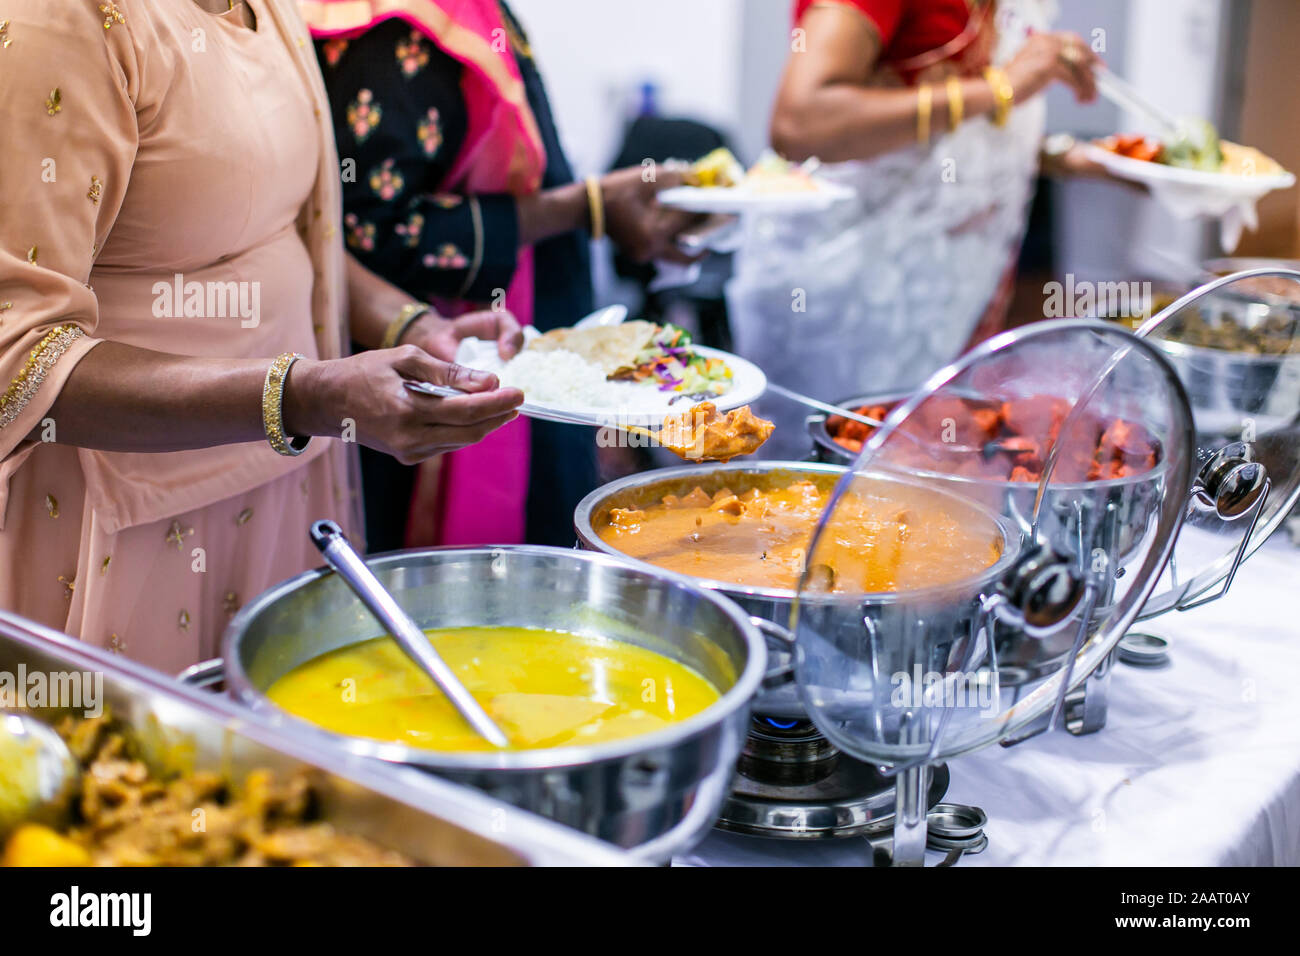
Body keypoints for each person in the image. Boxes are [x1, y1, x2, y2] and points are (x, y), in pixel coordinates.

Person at [0, 0, 522, 672]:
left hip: (284, 477)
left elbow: (285, 231)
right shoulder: (61, 20)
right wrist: (302, 397)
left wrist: (414, 324)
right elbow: (17, 350)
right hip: (129, 517)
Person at [302, 0, 701, 549]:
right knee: (456, 599)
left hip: (512, 331)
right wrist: (587, 206)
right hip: (438, 368)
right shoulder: (392, 23)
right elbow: (375, 235)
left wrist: (598, 206)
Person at [729, 0, 1099, 457]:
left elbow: (952, 143)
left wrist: (1085, 161)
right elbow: (801, 119)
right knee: (832, 489)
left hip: (941, 288)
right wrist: (1001, 87)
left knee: (917, 492)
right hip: (853, 292)